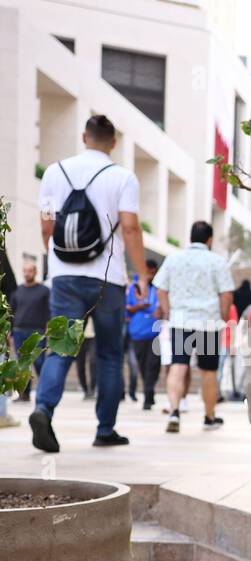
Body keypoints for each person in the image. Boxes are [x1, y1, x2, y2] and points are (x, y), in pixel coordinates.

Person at [30, 113, 146, 451]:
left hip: (65, 276)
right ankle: (105, 430)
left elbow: (46, 226)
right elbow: (130, 228)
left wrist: (56, 260)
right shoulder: (123, 177)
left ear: (84, 137)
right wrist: (139, 276)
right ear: (113, 143)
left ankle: (43, 409)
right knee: (109, 354)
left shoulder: (54, 172)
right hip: (107, 279)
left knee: (61, 348)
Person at [153, 220, 233, 432]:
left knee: (179, 365)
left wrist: (168, 312)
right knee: (208, 371)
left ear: (190, 238)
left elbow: (160, 288)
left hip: (181, 321)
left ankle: (174, 412)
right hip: (208, 322)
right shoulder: (217, 262)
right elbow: (226, 293)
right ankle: (209, 417)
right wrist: (223, 318)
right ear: (209, 239)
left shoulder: (174, 259)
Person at [9, 260, 51, 404]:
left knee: (39, 362)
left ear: (35, 272)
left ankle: (45, 393)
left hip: (37, 332)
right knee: (22, 365)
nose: (27, 273)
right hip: (19, 331)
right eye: (25, 271)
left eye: (30, 271)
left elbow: (49, 311)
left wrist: (49, 329)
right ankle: (24, 394)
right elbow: (11, 312)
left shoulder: (44, 291)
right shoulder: (17, 291)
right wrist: (10, 332)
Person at [125, 259, 161, 409]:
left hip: (155, 332)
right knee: (142, 365)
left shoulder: (159, 287)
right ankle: (149, 393)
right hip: (138, 332)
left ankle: (148, 393)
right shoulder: (134, 288)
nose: (151, 275)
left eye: (153, 272)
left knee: (153, 365)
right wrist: (140, 306)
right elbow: (127, 308)